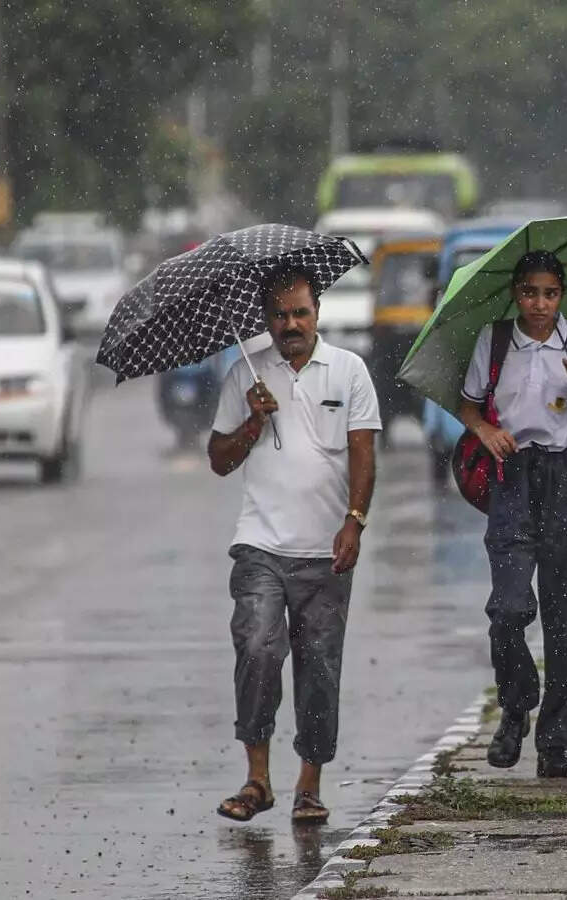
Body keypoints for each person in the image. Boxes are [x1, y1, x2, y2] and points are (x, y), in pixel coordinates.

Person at [208, 265, 381, 824]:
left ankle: (310, 782)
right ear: (266, 318)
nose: (291, 324)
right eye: (280, 315)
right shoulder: (245, 374)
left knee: (319, 665)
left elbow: (363, 452)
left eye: (300, 312)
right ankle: (257, 779)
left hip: (325, 550)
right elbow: (218, 459)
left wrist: (354, 520)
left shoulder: (349, 371)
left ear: (317, 313)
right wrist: (252, 423)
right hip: (259, 545)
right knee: (258, 649)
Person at [458, 250, 567, 778]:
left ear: (562, 295)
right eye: (530, 292)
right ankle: (516, 706)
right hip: (512, 477)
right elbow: (469, 404)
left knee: (565, 620)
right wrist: (484, 430)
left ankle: (554, 742)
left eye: (550, 293)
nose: (540, 304)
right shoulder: (494, 341)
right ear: (515, 293)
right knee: (509, 609)